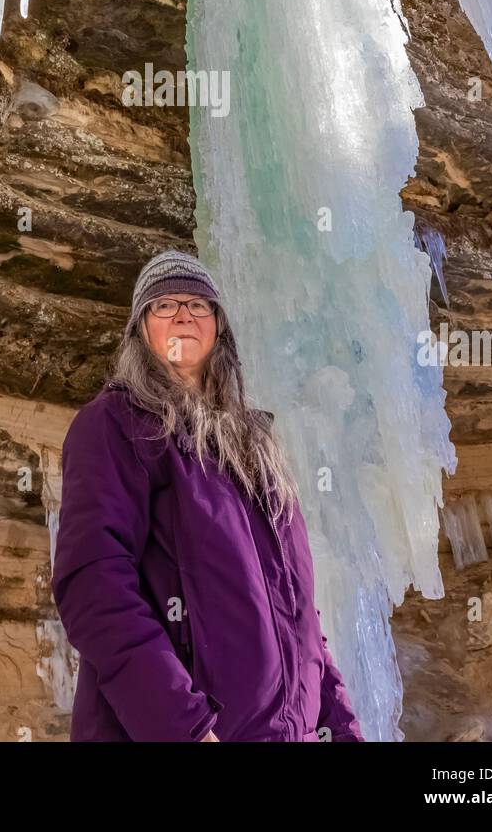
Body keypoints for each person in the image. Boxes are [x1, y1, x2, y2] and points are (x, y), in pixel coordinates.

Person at [51, 249, 364, 743]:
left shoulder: (254, 449)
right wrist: (184, 728)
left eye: (198, 304)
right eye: (164, 303)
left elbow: (300, 615)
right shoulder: (114, 425)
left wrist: (342, 731)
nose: (183, 313)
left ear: (219, 327)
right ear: (139, 330)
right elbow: (94, 585)